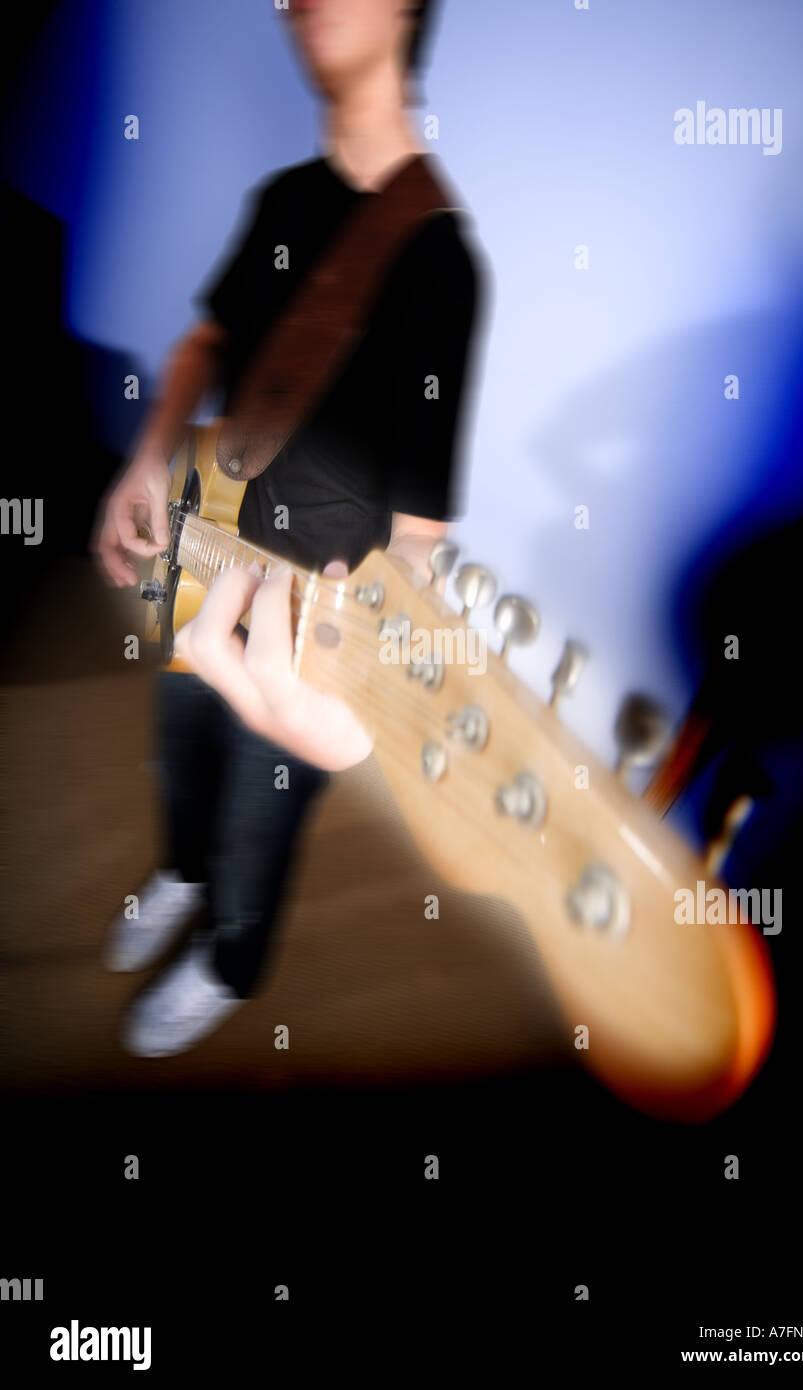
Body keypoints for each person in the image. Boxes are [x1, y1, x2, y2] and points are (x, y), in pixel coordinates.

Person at [91, 0, 485, 1057]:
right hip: (201, 533)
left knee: (258, 824)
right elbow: (203, 344)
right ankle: (180, 874)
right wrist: (145, 455)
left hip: (306, 616)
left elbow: (420, 531)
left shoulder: (443, 265)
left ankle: (228, 961)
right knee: (179, 751)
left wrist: (365, 661)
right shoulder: (282, 201)